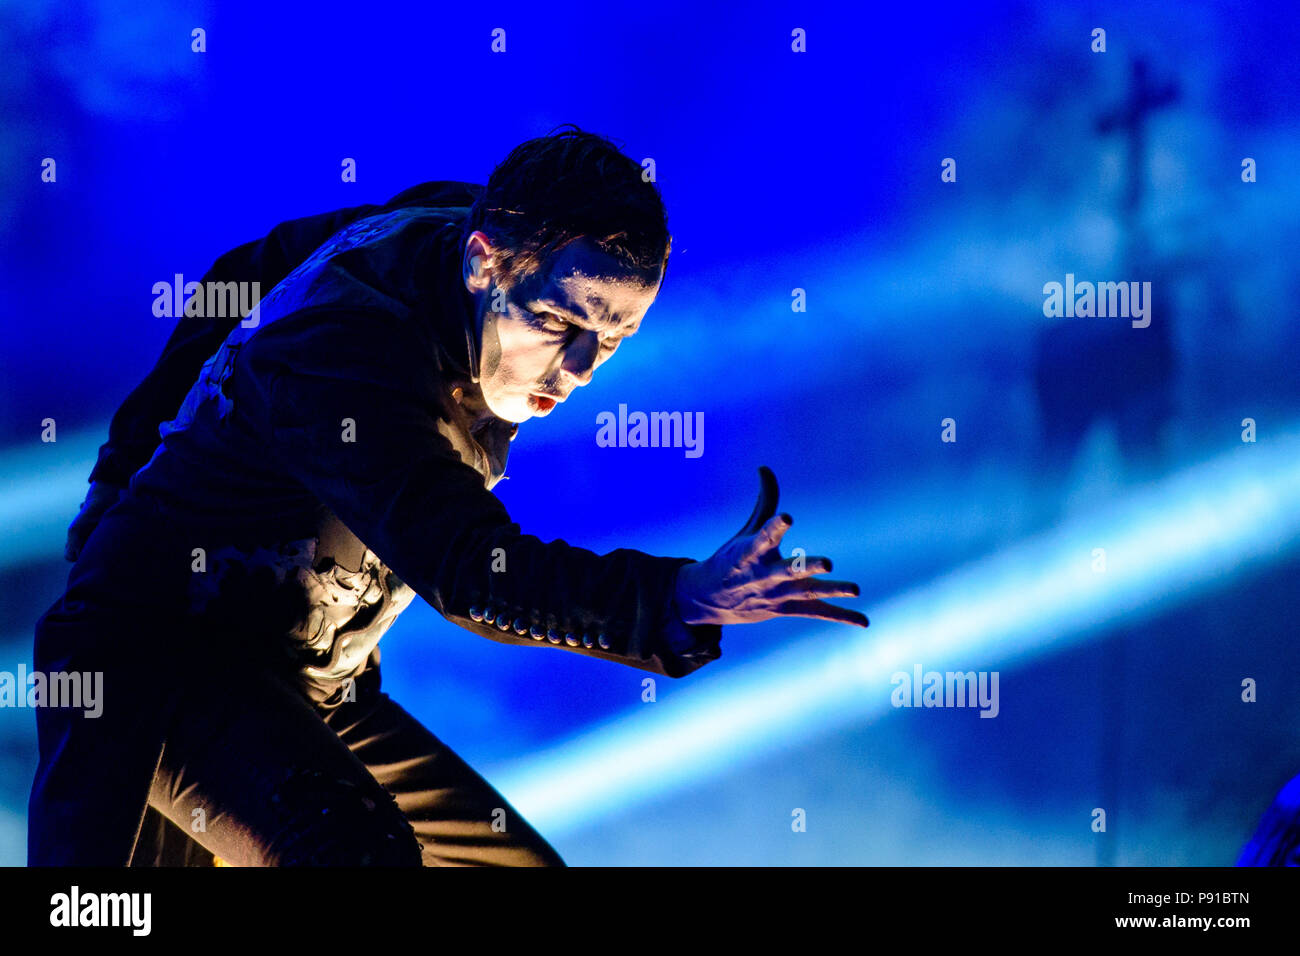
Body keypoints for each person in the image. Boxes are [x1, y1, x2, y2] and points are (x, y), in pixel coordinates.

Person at [30, 126, 868, 867]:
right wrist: (676, 597)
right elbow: (473, 570)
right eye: (557, 325)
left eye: (613, 339)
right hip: (164, 661)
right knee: (354, 853)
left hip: (307, 677)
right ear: (484, 263)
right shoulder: (347, 357)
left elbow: (251, 270)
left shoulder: (452, 230)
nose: (577, 371)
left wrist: (114, 484)